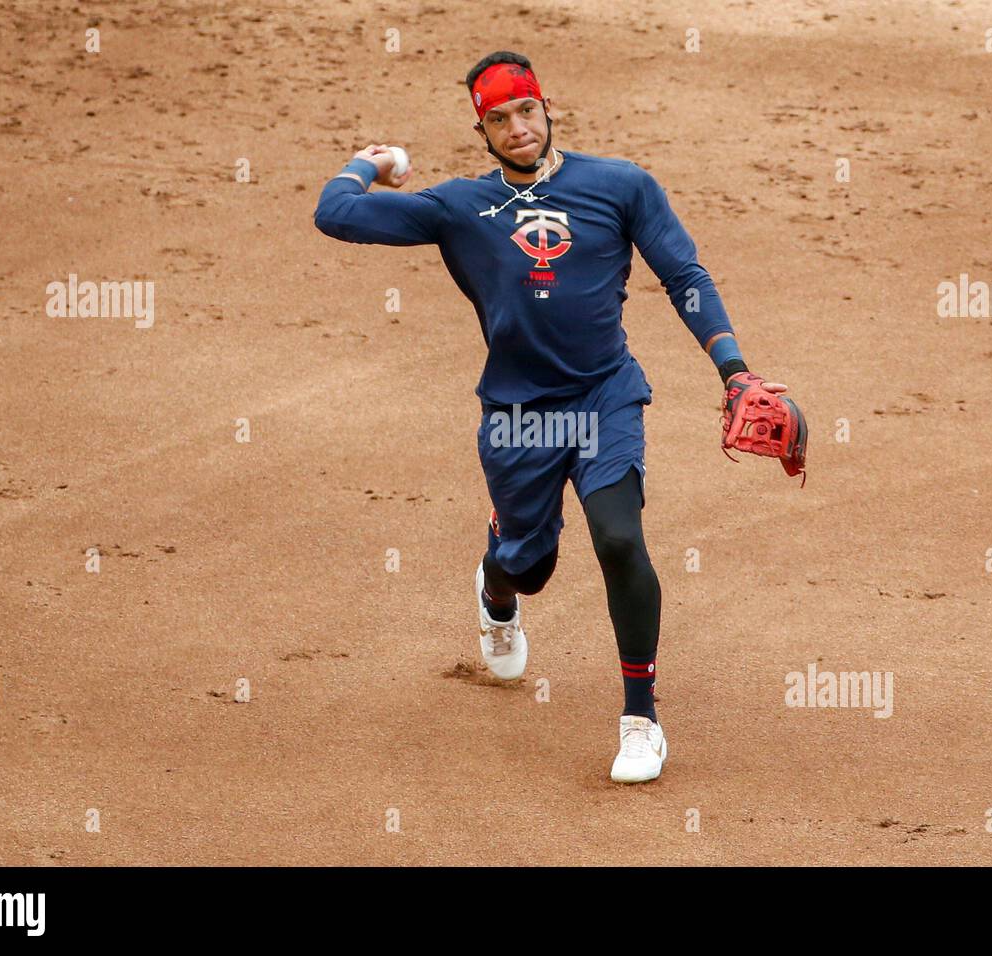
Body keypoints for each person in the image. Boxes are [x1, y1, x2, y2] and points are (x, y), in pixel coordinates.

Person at [314, 51, 797, 783]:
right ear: (481, 130)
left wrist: (734, 370)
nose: (517, 128)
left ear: (549, 110)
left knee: (618, 538)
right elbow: (335, 214)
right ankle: (497, 588)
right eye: (499, 119)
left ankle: (641, 720)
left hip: (606, 395)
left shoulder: (620, 185)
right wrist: (364, 163)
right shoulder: (458, 208)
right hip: (518, 416)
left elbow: (685, 277)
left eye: (527, 111)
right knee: (528, 567)